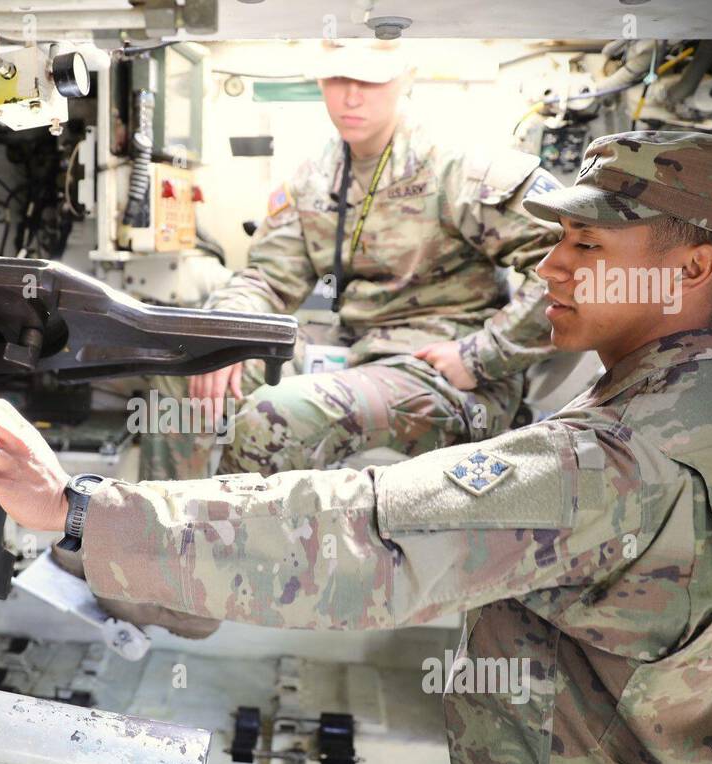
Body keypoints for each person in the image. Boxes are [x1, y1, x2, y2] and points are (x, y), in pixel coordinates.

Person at [0, 131, 712, 764]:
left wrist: (75, 508)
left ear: (691, 270)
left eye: (586, 245)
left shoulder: (613, 460)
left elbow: (358, 539)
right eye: (555, 241)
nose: (550, 267)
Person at [139, 38, 567, 480]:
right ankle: (154, 540)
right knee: (179, 377)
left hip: (442, 368)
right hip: (352, 351)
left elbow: (571, 264)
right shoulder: (316, 176)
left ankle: (233, 544)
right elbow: (267, 279)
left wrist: (482, 356)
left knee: (273, 414)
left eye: (370, 79)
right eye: (338, 77)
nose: (351, 96)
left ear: (405, 79)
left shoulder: (458, 165)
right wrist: (225, 336)